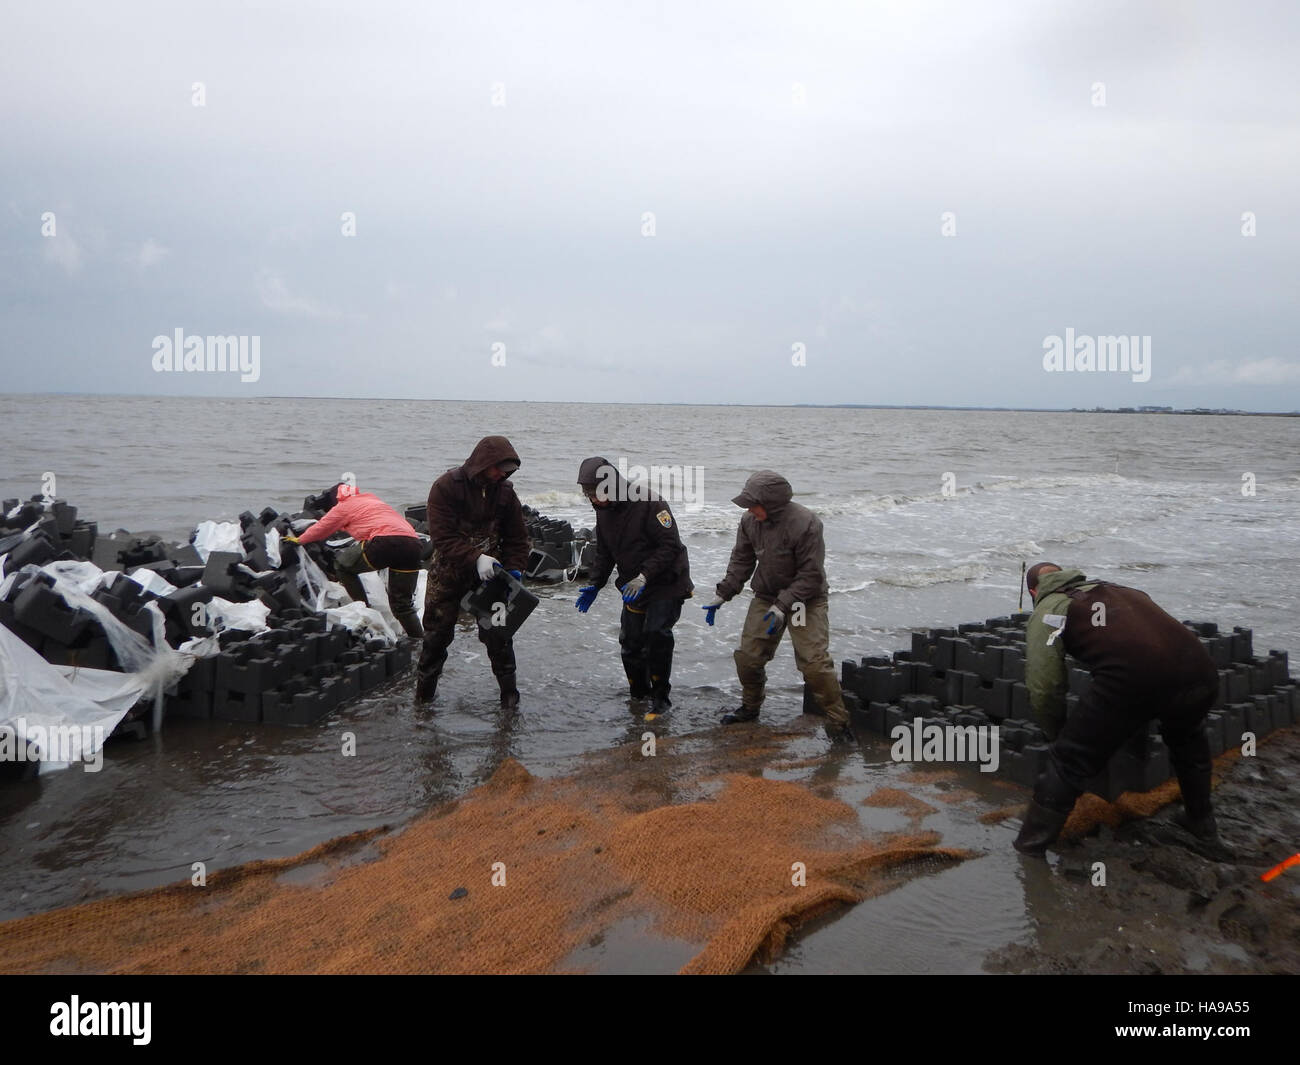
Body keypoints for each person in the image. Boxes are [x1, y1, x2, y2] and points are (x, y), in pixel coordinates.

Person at [1015, 562, 1221, 856]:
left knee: (1068, 762)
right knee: (1189, 741)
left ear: (1033, 591)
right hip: (1201, 670)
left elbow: (1044, 684)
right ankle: (1202, 826)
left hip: (1134, 678)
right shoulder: (1121, 589)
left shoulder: (1050, 607)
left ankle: (1030, 847)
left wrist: (1057, 733)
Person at [701, 470, 852, 739]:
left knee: (814, 665)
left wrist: (783, 607)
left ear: (772, 503)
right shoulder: (749, 521)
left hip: (807, 600)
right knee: (748, 658)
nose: (749, 509)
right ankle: (750, 708)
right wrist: (723, 594)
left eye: (753, 504)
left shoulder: (807, 523)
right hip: (766, 597)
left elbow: (811, 575)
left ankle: (838, 723)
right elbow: (741, 561)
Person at [573, 457, 693, 718]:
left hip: (666, 582)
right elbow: (605, 551)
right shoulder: (603, 509)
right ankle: (638, 694)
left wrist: (645, 575)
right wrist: (595, 584)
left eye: (597, 493)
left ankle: (661, 699)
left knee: (656, 635)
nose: (593, 500)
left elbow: (669, 546)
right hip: (632, 585)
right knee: (630, 642)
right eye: (588, 495)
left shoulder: (650, 503)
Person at [416, 436, 529, 708]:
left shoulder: (505, 493)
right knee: (436, 637)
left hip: (491, 577)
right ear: (482, 462)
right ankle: (424, 698)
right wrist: (476, 557)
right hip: (448, 573)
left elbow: (517, 537)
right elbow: (442, 538)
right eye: (497, 468)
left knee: (499, 636)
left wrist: (515, 569)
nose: (501, 474)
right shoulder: (445, 487)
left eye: (507, 471)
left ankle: (509, 697)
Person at [287, 482, 423, 638]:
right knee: (403, 605)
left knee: (343, 565)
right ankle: (419, 640)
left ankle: (364, 611)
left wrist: (299, 540)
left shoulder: (343, 506)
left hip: (385, 541)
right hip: (413, 545)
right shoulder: (372, 500)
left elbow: (322, 527)